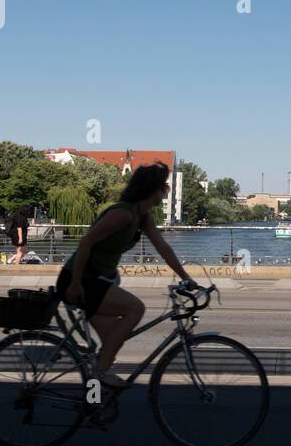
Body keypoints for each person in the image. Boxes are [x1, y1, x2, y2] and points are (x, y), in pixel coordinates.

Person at [56, 163, 195, 389]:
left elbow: (163, 248)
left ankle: (95, 400)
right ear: (152, 189)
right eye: (163, 187)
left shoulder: (142, 216)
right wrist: (75, 283)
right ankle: (98, 375)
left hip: (99, 281)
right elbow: (86, 242)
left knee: (113, 339)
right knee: (135, 309)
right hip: (81, 281)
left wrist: (187, 278)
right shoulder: (122, 214)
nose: (165, 191)